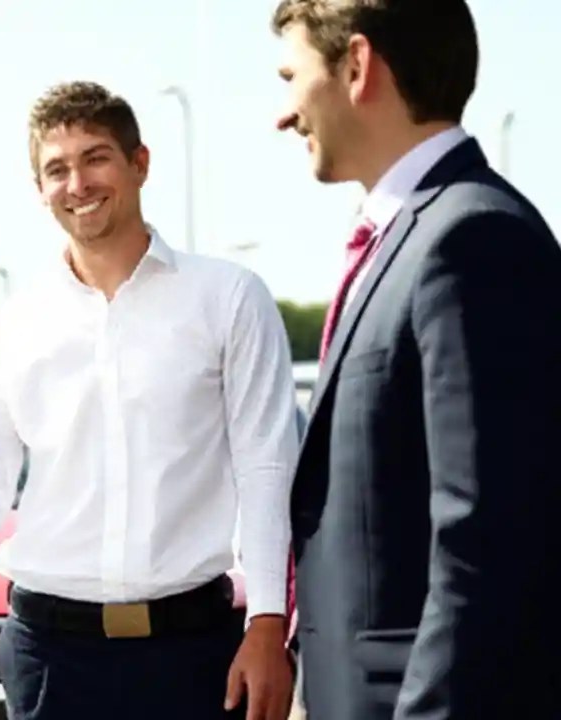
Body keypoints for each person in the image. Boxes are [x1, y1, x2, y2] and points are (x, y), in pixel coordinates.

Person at [0, 81, 300, 720]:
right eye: (57, 169)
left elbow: (266, 469)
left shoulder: (228, 298)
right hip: (51, 656)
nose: (77, 183)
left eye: (96, 157)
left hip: (192, 652)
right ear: (39, 188)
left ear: (140, 164)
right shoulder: (11, 327)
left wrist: (269, 624)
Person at [271, 1, 561, 718]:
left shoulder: (472, 240)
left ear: (358, 66)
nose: (283, 113)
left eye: (292, 75)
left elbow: (487, 544)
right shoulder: (415, 236)